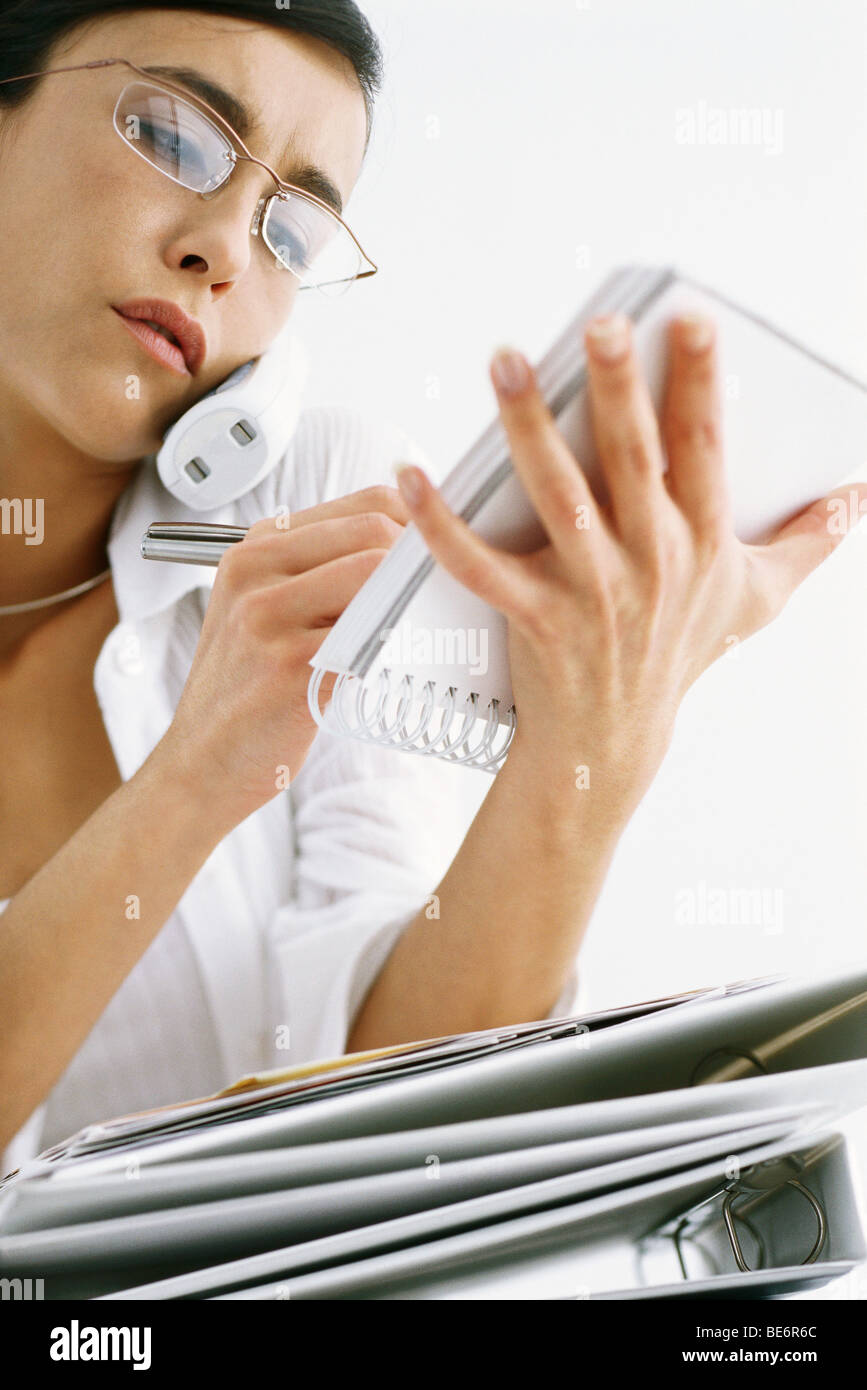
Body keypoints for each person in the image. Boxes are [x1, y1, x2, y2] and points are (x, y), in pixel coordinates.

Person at [1, 1, 862, 1175]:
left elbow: (401, 1133)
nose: (229, 251)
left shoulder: (303, 504)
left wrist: (598, 737)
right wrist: (190, 782)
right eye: (175, 137)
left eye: (293, 229)